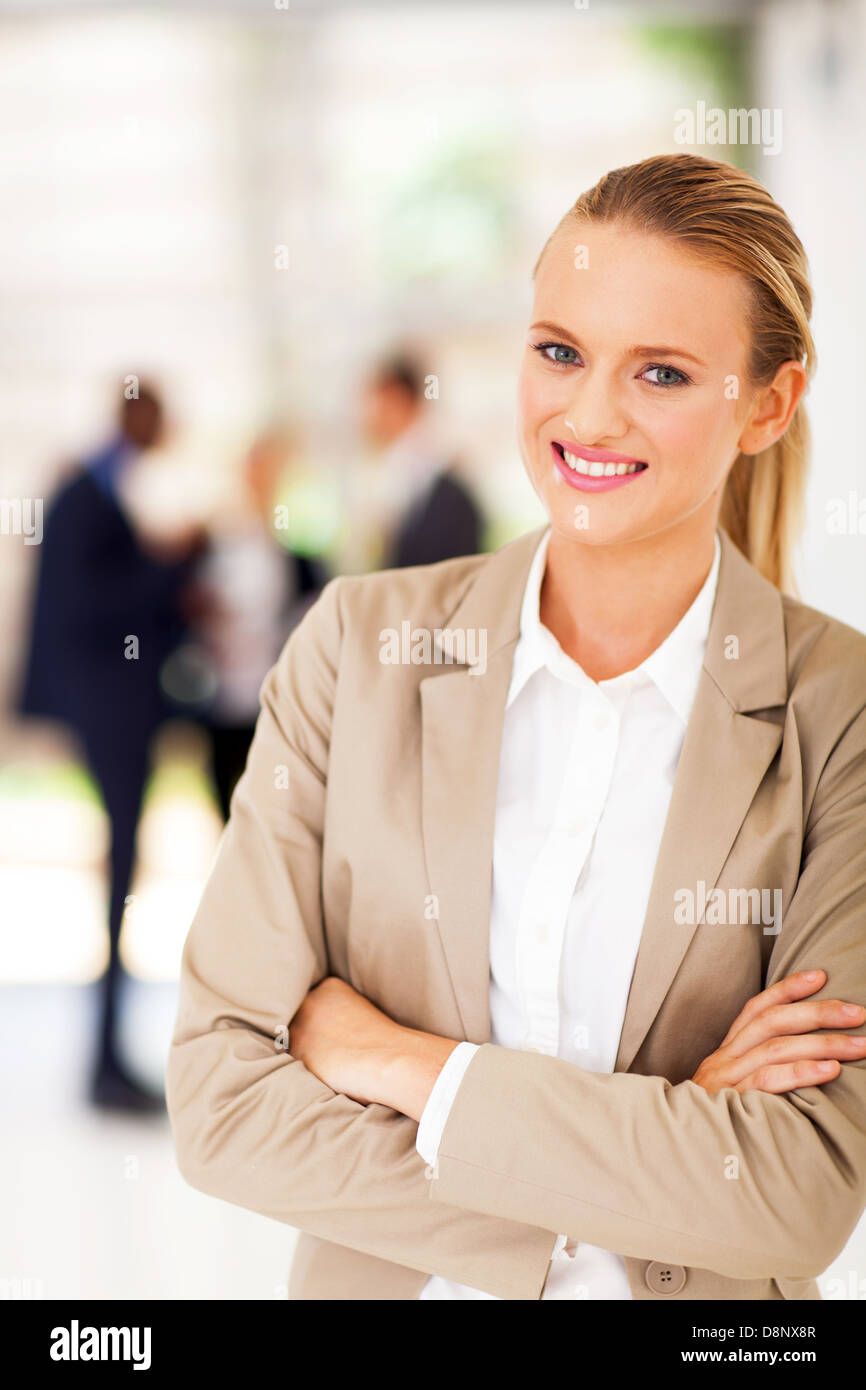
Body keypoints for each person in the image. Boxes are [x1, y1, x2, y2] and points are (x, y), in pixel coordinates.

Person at [165, 155, 866, 1300]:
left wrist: (403, 1063)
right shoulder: (355, 648)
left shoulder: (837, 708)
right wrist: (657, 1161)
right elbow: (219, 1101)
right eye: (558, 351)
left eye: (662, 372)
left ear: (766, 404)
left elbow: (797, 1192)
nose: (588, 415)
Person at [19, 385, 203, 1111]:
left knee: (124, 874)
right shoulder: (86, 498)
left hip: (115, 707)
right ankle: (102, 1065)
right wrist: (177, 562)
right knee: (120, 871)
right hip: (111, 711)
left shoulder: (94, 490)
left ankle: (107, 1058)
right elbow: (100, 604)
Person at [192, 427, 329, 821]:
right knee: (226, 809)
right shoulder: (215, 544)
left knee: (274, 810)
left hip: (272, 698)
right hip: (223, 696)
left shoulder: (297, 555)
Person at [359, 353, 484, 568]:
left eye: (380, 403)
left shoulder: (441, 478)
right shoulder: (393, 471)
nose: (371, 416)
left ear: (402, 401)